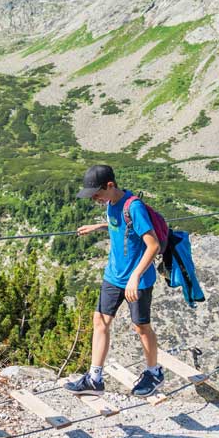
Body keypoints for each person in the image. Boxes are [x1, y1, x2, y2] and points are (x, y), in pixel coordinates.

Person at [65, 164, 166, 398]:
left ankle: (154, 372)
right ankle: (94, 378)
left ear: (110, 186)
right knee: (100, 322)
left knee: (141, 327)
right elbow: (121, 227)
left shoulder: (135, 207)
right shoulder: (111, 203)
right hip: (114, 276)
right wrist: (99, 226)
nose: (95, 199)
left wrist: (135, 276)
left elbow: (153, 245)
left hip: (136, 280)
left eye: (97, 194)